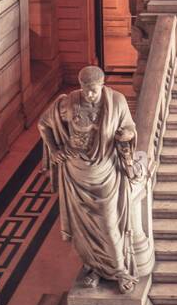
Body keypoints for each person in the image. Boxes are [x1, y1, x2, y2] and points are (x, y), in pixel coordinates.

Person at [39, 65, 146, 293]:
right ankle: (94, 268)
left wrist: (125, 135)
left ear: (102, 85)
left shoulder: (116, 102)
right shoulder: (69, 103)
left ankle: (119, 270)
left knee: (109, 225)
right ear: (80, 86)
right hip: (76, 175)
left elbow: (130, 128)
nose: (89, 95)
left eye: (94, 90)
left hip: (106, 174)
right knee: (83, 229)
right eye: (85, 89)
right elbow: (43, 124)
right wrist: (54, 149)